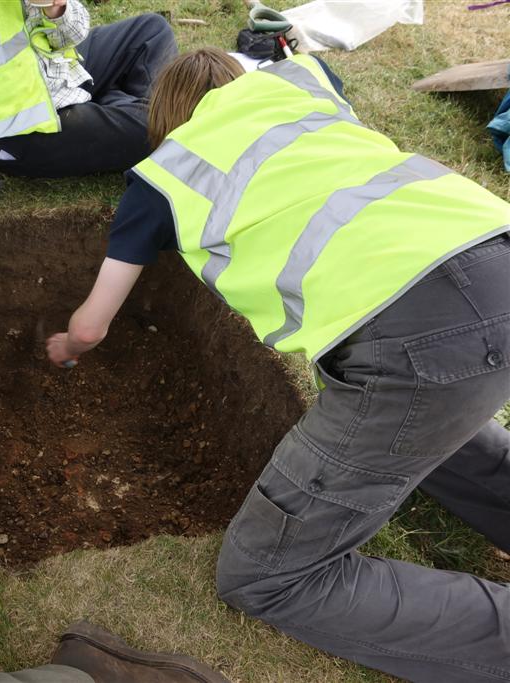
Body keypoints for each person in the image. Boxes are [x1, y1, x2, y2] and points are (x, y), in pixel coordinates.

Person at [46, 48, 510, 682]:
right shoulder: (305, 87)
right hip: (489, 251)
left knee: (267, 577)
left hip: (418, 332)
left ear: (166, 119)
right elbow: (312, 66)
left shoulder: (166, 176)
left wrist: (65, 348)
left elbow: (90, 326)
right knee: (431, 418)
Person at [0, 0, 178, 214]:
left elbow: (70, 35)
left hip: (51, 73)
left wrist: (56, 10)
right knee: (155, 127)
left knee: (151, 32)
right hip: (8, 129)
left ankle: (120, 110)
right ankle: (125, 112)